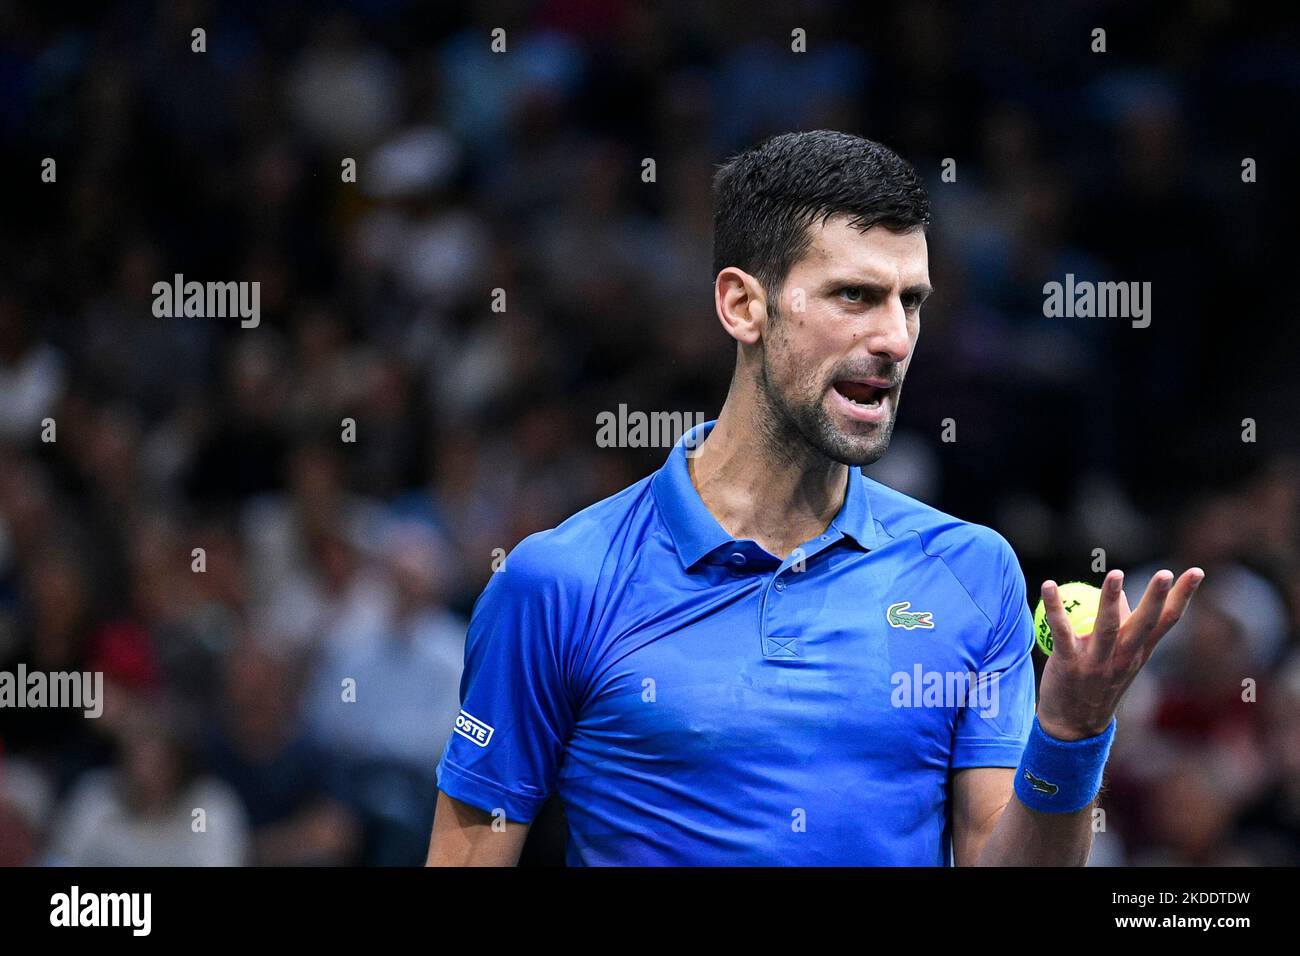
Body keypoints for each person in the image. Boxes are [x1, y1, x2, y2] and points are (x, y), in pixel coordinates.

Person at [425, 130, 1203, 866]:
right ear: (743, 307)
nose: (897, 338)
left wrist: (1070, 732)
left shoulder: (973, 570)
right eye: (855, 296)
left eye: (913, 302)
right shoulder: (558, 582)